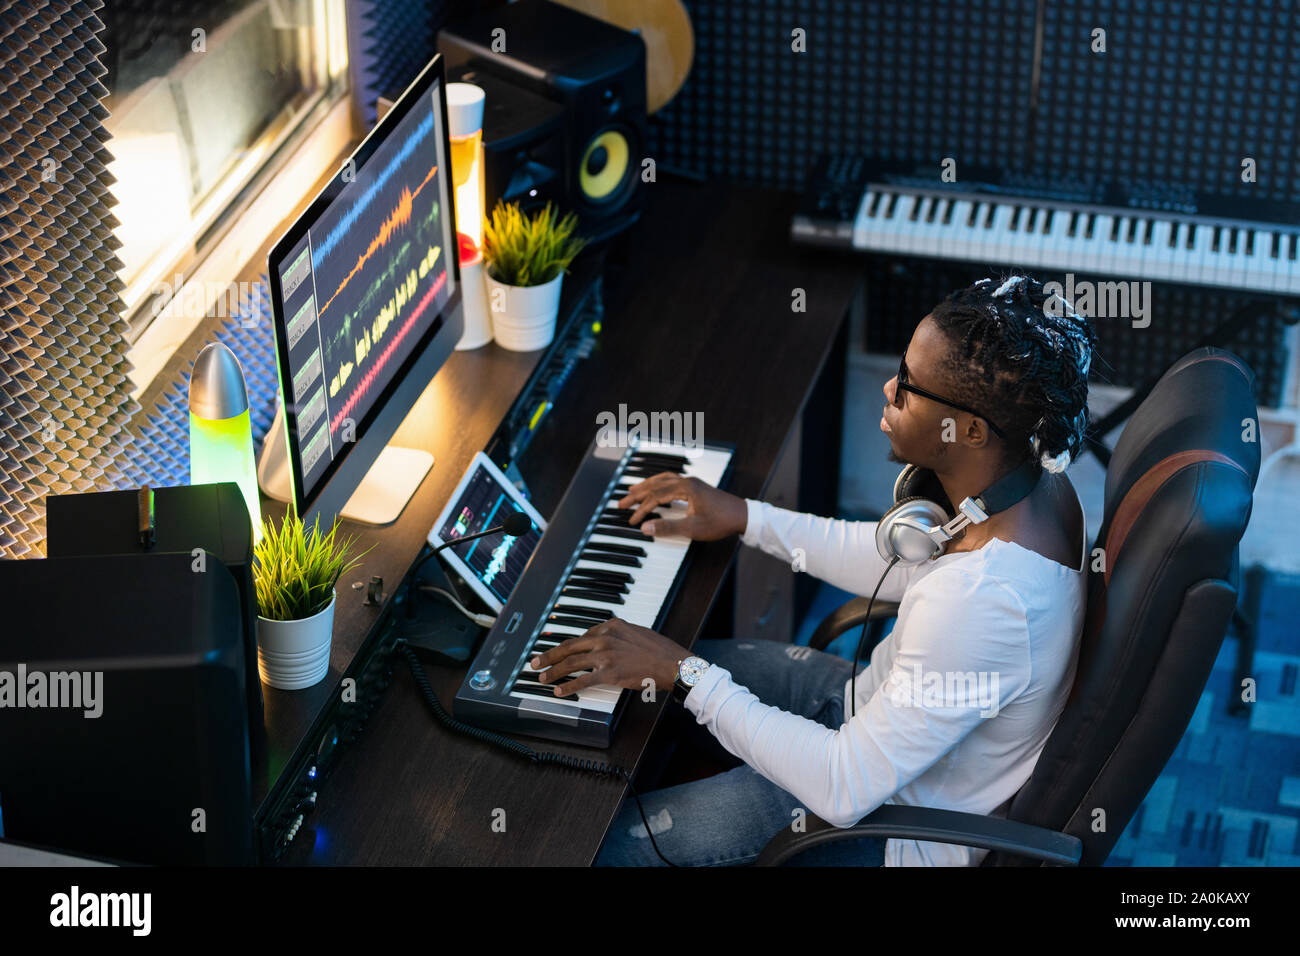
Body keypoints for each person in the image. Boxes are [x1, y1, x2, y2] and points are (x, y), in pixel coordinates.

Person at [530, 275, 1096, 866]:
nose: (888, 389)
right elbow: (902, 556)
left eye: (908, 387)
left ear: (971, 431)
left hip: (877, 819)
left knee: (600, 847)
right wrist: (745, 517)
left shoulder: (983, 602)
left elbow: (842, 787)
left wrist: (682, 671)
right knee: (643, 685)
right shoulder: (1034, 484)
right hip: (870, 716)